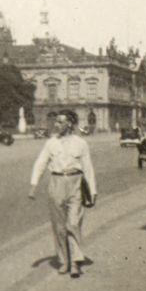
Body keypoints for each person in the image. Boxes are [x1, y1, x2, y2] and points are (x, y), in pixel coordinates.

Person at [28, 109, 97, 278]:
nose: (56, 125)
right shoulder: (51, 143)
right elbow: (40, 163)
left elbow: (88, 167)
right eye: (56, 122)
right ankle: (64, 261)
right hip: (56, 183)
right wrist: (33, 185)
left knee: (73, 223)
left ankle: (75, 262)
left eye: (60, 122)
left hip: (75, 183)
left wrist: (93, 190)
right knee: (59, 226)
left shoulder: (80, 143)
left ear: (70, 124)